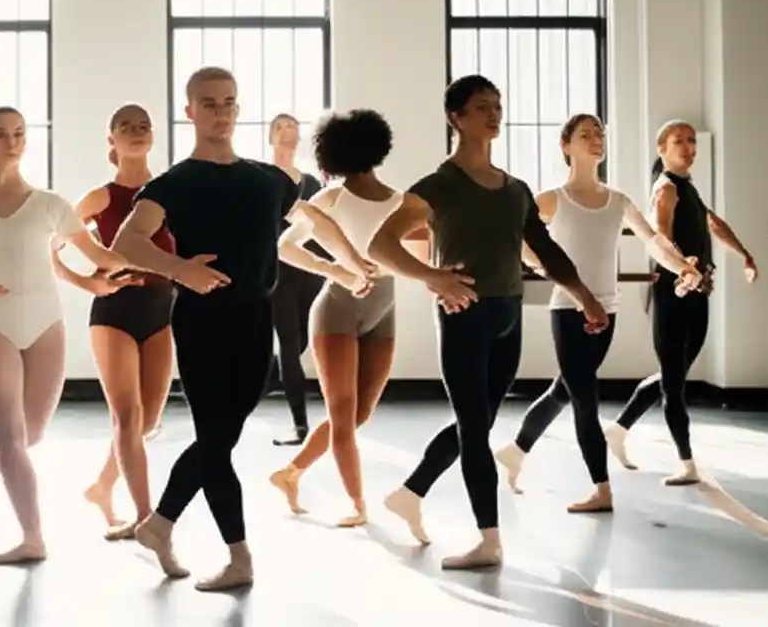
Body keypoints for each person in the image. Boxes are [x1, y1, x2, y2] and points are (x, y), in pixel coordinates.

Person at [112, 67, 376, 591]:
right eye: (209, 103)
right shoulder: (173, 183)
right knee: (216, 442)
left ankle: (159, 526)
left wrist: (350, 264)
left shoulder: (267, 180)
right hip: (203, 323)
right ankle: (238, 557)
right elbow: (127, 242)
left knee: (219, 438)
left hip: (256, 320)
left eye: (229, 102)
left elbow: (318, 223)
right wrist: (180, 269)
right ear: (189, 112)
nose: (221, 112)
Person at [375, 75, 610, 570]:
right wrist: (433, 277)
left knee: (476, 423)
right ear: (455, 117)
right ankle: (489, 539)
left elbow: (546, 251)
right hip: (464, 317)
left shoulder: (516, 190)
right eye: (482, 106)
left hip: (508, 315)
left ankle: (410, 494)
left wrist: (585, 297)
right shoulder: (439, 185)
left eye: (497, 106)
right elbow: (381, 243)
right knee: (475, 430)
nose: (494, 114)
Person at [0, 106, 131, 565]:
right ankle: (32, 537)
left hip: (47, 325)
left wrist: (159, 264)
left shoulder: (49, 203)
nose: (12, 141)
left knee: (30, 433)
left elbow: (98, 254)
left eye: (18, 133)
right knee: (11, 436)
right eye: (1, 133)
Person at [268, 109, 476, 527]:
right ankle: (357, 503)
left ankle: (290, 473)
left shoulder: (402, 201)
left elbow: (420, 257)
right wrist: (335, 269)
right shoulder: (331, 199)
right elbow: (285, 247)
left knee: (359, 414)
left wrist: (440, 277)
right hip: (336, 311)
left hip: (383, 309)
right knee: (343, 415)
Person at [493, 114, 703, 512]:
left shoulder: (617, 200)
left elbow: (654, 241)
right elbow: (515, 236)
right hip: (568, 310)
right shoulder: (553, 198)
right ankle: (601, 489)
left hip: (609, 309)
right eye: (585, 134)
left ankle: (516, 451)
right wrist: (543, 268)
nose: (596, 139)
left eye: (600, 133)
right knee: (585, 398)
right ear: (566, 146)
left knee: (565, 389)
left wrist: (682, 267)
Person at [604, 119, 758, 486]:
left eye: (691, 140)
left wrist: (744, 254)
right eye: (679, 141)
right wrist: (680, 267)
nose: (688, 147)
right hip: (674, 295)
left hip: (697, 294)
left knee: (673, 375)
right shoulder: (666, 188)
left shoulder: (688, 188)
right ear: (662, 149)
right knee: (674, 386)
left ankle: (618, 430)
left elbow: (713, 224)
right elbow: (660, 234)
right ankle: (687, 463)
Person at [52, 104, 176, 538]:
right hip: (114, 313)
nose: (136, 132)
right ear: (112, 140)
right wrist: (86, 282)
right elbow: (52, 247)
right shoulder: (101, 197)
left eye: (144, 126)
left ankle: (102, 487)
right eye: (126, 127)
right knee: (127, 416)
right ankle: (144, 517)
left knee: (148, 421)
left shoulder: (169, 192)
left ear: (152, 136)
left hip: (162, 309)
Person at [267, 113, 327, 446]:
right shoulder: (261, 178)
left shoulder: (312, 182)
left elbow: (323, 226)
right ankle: (300, 424)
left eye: (293, 126)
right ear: (271, 136)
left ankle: (255, 383)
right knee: (289, 345)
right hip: (279, 273)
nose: (288, 131)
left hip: (309, 272)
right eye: (281, 127)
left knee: (300, 341)